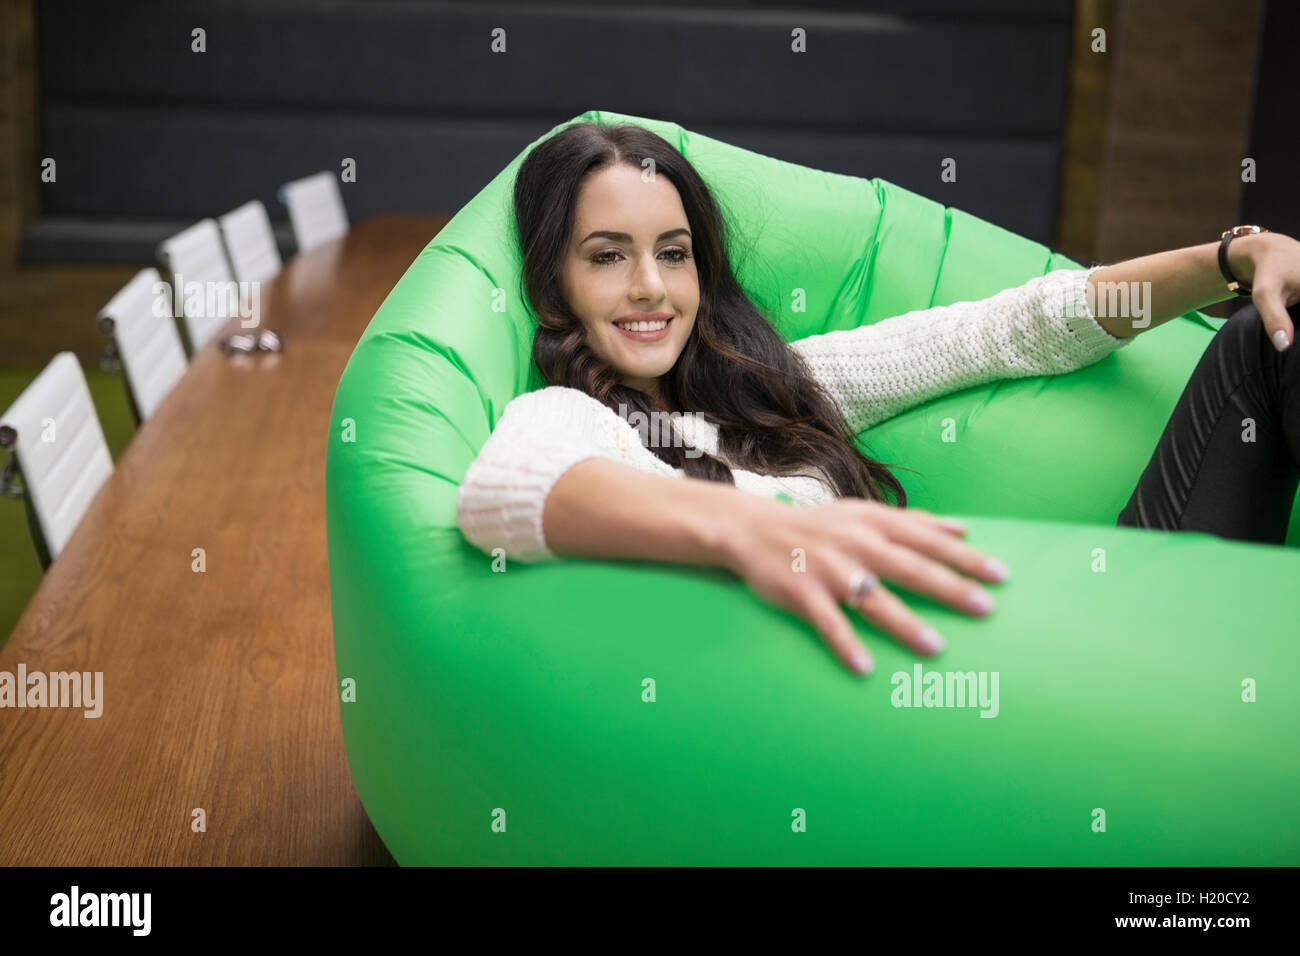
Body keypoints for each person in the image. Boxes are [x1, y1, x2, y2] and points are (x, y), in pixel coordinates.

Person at [456, 122, 1300, 677]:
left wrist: (1232, 257)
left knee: (1265, 337)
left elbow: (1021, 325)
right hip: (1026, 699)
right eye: (607, 256)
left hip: (1066, 635)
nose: (650, 287)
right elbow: (507, 490)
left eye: (672, 253)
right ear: (553, 284)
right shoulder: (577, 420)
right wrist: (755, 530)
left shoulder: (777, 391)